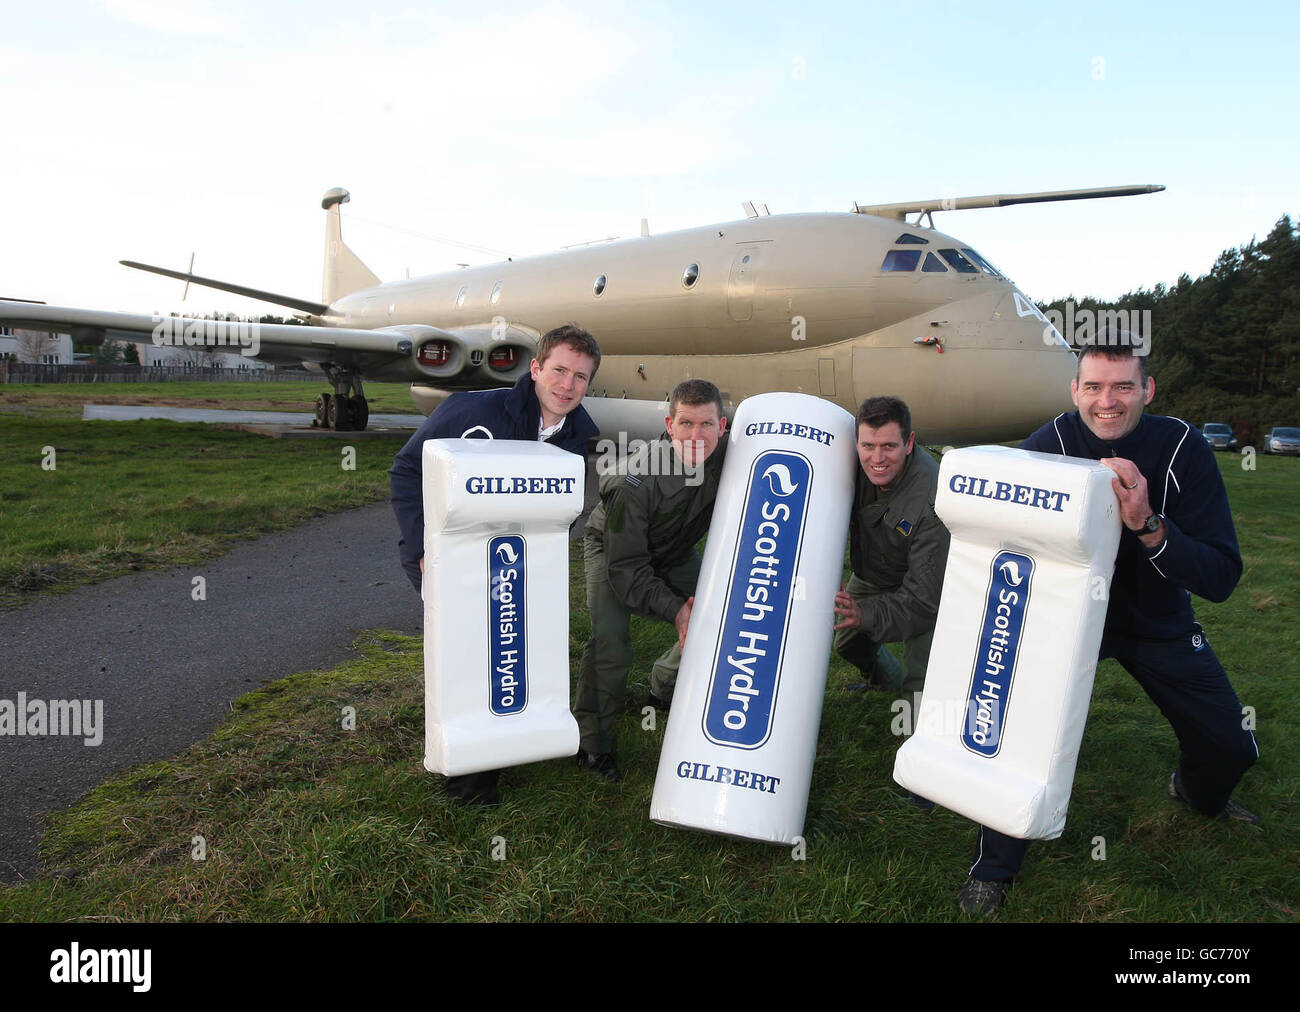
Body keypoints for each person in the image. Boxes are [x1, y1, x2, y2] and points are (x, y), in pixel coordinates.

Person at [957, 336, 1260, 917]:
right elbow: (999, 532)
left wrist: (1147, 523)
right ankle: (994, 865)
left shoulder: (1181, 449)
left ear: (1147, 389)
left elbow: (1221, 576)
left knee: (1231, 746)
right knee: (1022, 729)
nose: (1108, 402)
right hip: (1067, 620)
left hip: (1157, 621)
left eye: (1123, 386)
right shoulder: (1051, 444)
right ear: (1075, 391)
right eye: (1093, 386)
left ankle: (1195, 792)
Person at [389, 323, 601, 806]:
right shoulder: (473, 409)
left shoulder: (580, 434)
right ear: (536, 368)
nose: (568, 386)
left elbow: (559, 507)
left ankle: (504, 746)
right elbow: (406, 469)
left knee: (511, 652)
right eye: (560, 371)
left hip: (514, 568)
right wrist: (424, 549)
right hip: (452, 562)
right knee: (464, 659)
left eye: (581, 377)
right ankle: (467, 780)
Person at [572, 379, 728, 781]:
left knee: (725, 609)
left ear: (723, 426)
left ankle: (664, 682)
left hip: (672, 549)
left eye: (707, 424)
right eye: (686, 424)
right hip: (615, 550)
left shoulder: (728, 454)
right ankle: (591, 742)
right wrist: (675, 609)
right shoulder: (633, 481)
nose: (697, 436)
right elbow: (627, 569)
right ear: (669, 425)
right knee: (611, 642)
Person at [832, 396, 950, 806]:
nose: (877, 458)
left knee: (923, 682)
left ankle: (925, 774)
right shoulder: (846, 462)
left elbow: (922, 599)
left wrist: (866, 613)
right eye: (868, 446)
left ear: (910, 442)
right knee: (847, 642)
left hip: (931, 588)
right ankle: (882, 678)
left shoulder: (932, 499)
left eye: (888, 447)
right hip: (874, 574)